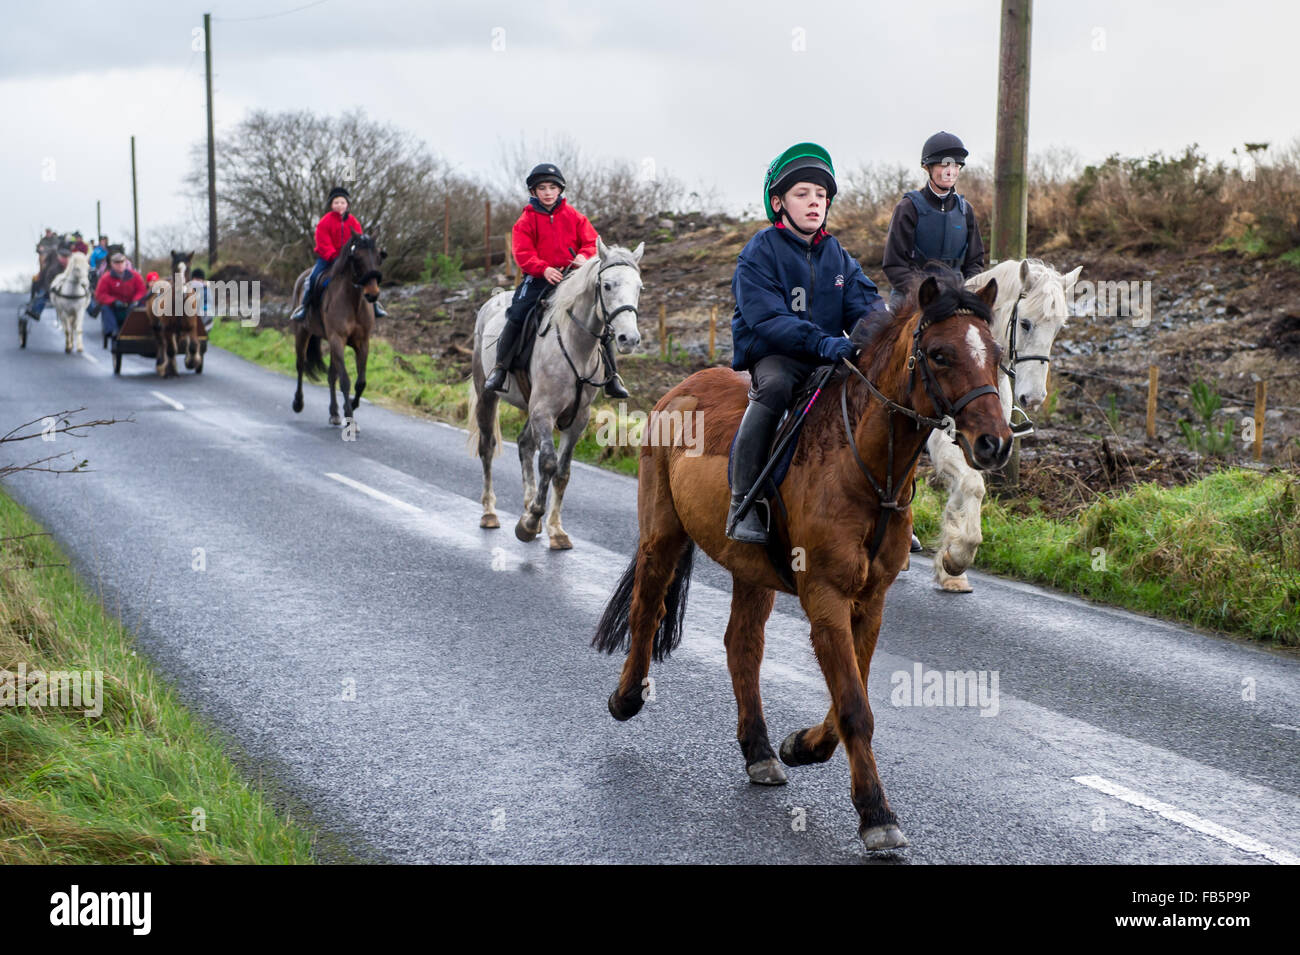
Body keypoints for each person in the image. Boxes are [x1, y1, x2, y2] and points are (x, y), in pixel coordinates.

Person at [727, 142, 891, 544]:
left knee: (871, 395)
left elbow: (869, 311)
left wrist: (887, 336)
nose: (814, 203)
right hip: (777, 356)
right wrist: (823, 342)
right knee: (777, 387)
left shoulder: (839, 256)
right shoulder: (758, 253)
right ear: (779, 202)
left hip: (826, 355)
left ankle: (887, 504)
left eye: (821, 195)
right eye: (802, 194)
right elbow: (767, 319)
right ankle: (743, 499)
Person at [483, 163, 627, 398]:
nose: (548, 192)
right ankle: (499, 369)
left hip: (573, 277)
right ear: (533, 192)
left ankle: (612, 377)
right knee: (517, 313)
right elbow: (522, 254)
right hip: (539, 279)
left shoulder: (575, 217)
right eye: (542, 188)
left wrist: (584, 255)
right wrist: (544, 269)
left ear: (560, 190)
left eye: (552, 187)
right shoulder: (525, 222)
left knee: (598, 316)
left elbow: (592, 242)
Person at [881, 131, 987, 313]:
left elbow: (975, 262)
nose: (950, 172)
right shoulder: (907, 208)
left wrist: (967, 291)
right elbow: (894, 265)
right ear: (927, 167)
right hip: (914, 296)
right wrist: (927, 292)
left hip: (956, 297)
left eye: (956, 166)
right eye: (943, 165)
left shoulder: (966, 210)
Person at [289, 186, 387, 321]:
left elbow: (359, 242)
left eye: (342, 202)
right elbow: (322, 243)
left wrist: (354, 256)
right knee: (312, 279)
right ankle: (304, 307)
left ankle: (375, 305)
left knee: (367, 273)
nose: (339, 205)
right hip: (328, 260)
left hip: (348, 260)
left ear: (347, 205)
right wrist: (334, 256)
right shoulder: (324, 222)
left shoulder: (353, 221)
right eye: (336, 203)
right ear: (331, 205)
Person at [93, 251, 147, 339]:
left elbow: (142, 290)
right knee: (105, 308)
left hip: (132, 305)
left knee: (142, 308)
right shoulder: (106, 278)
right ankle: (113, 331)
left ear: (125, 263)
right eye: (117, 263)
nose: (120, 265)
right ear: (112, 264)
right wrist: (114, 301)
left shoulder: (135, 276)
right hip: (114, 307)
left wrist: (135, 300)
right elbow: (100, 295)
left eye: (122, 262)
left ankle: (140, 330)